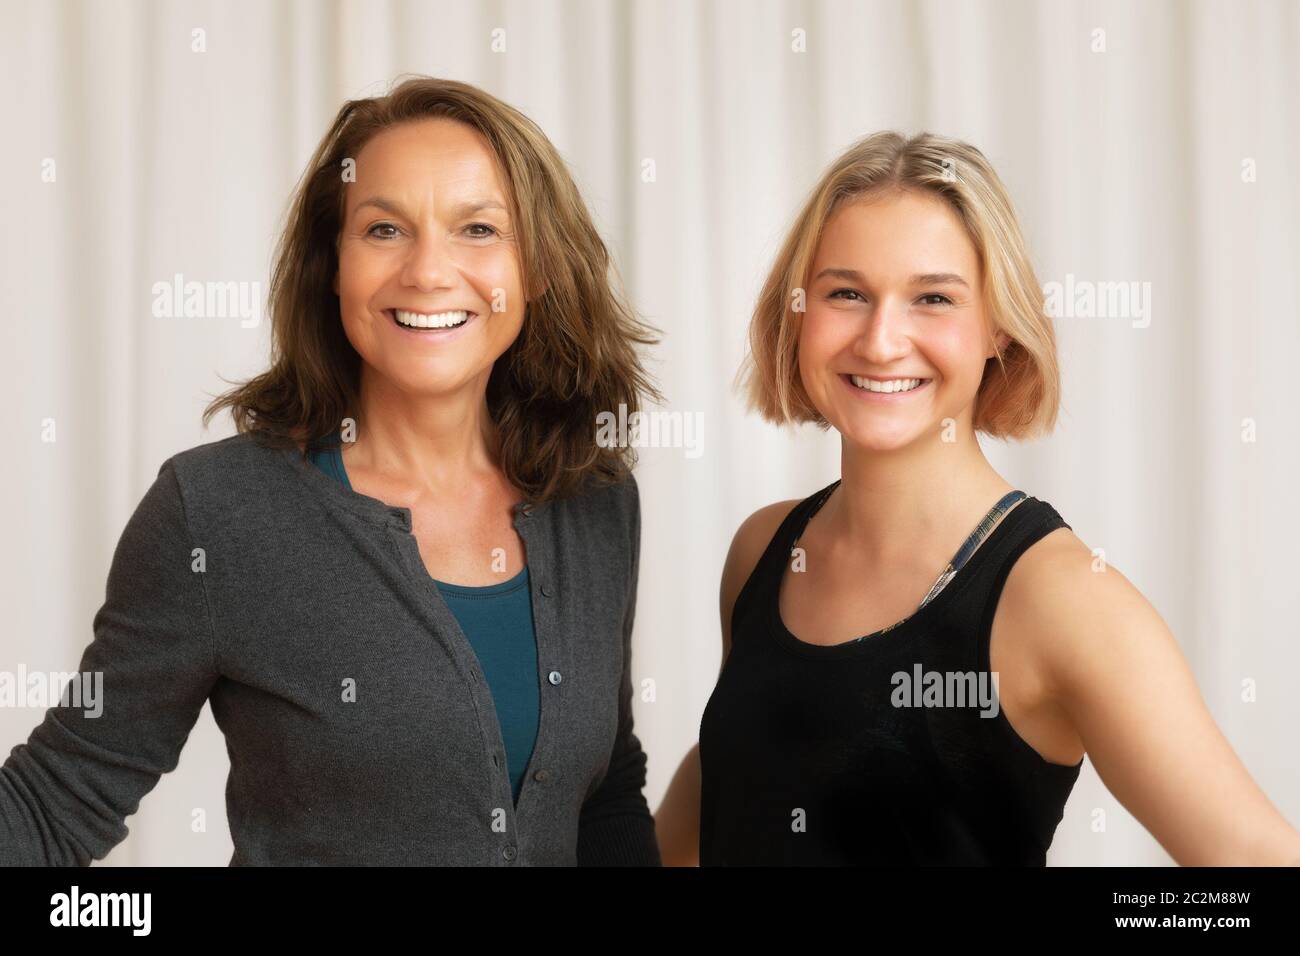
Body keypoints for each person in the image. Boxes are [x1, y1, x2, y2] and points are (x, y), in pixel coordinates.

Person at [1, 76, 663, 866]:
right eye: (384, 230)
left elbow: (607, 794)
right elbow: (54, 805)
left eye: (479, 229)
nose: (428, 272)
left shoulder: (594, 502)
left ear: (540, 270)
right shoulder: (215, 513)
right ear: (332, 266)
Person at [653, 130, 1300, 866]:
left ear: (997, 328)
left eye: (933, 298)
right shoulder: (766, 550)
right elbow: (723, 801)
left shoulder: (1059, 597)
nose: (882, 339)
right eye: (846, 293)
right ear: (798, 312)